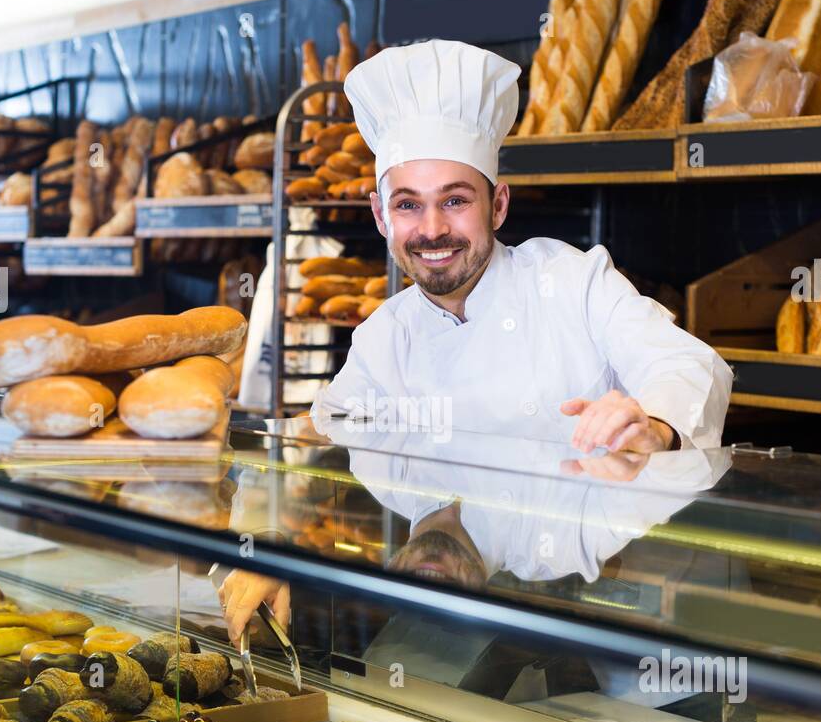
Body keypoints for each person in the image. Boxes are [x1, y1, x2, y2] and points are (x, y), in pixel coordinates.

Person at [218, 38, 733, 642]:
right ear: (382, 218)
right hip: (473, 642)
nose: (432, 229)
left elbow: (689, 364)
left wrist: (653, 421)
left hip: (645, 637)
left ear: (498, 205)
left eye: (456, 201)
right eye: (409, 205)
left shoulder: (571, 280)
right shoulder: (383, 338)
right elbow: (314, 441)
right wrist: (267, 537)